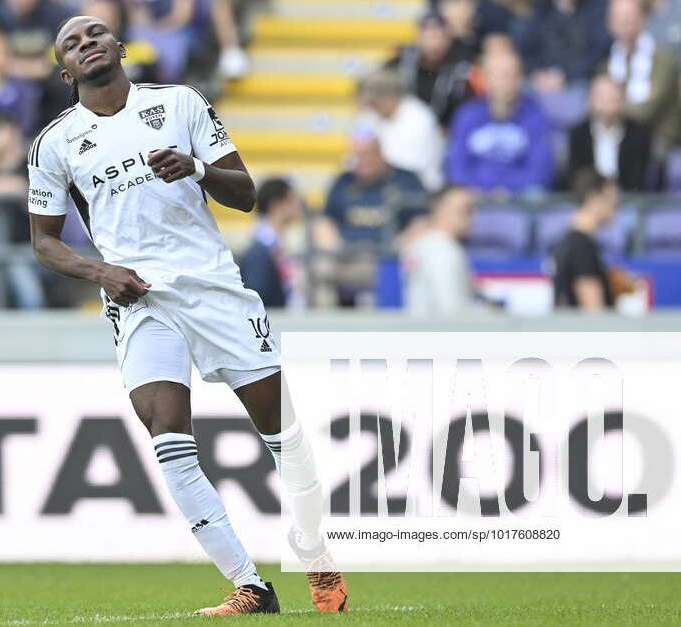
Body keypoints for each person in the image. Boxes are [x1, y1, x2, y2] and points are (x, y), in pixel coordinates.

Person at [28, 15, 345, 616]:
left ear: (120, 48)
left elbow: (247, 195)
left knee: (284, 434)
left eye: (96, 33)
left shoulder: (179, 103)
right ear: (64, 70)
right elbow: (44, 243)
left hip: (214, 289)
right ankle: (249, 585)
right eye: (71, 41)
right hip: (139, 297)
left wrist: (195, 169)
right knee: (169, 437)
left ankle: (315, 552)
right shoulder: (54, 144)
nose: (86, 42)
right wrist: (103, 273)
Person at [445, 51, 555, 193]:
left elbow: (540, 170)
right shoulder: (467, 115)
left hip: (520, 200)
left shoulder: (535, 115)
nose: (507, 81)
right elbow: (456, 168)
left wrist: (507, 189)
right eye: (499, 75)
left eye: (512, 74)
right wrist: (484, 189)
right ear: (485, 78)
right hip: (474, 196)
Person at [323, 130, 424, 247]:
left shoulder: (406, 180)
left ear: (379, 153)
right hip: (348, 255)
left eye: (367, 154)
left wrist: (400, 245)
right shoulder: (343, 182)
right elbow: (327, 221)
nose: (362, 161)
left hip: (394, 254)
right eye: (355, 156)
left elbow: (420, 222)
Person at [601, 0, 680, 149]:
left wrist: (611, 106)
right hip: (619, 140)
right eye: (617, 17)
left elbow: (646, 111)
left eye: (628, 16)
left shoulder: (663, 61)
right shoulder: (606, 62)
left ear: (643, 20)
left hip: (658, 139)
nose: (623, 22)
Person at [355, 68, 445, 191]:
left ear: (389, 97)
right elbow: (356, 155)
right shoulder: (370, 115)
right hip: (377, 186)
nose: (371, 108)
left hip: (418, 189)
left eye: (374, 102)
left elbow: (410, 167)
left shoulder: (419, 118)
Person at [567, 74, 652, 191]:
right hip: (590, 199)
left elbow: (638, 179)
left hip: (628, 200)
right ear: (590, 101)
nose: (607, 104)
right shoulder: (578, 134)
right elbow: (576, 177)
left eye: (613, 98)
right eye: (602, 98)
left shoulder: (639, 134)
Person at [402, 186, 477, 316]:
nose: (472, 218)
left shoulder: (424, 243)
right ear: (440, 211)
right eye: (465, 211)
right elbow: (450, 308)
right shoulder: (442, 250)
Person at [386, 13, 472, 126]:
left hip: (443, 131)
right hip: (401, 129)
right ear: (418, 38)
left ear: (448, 40)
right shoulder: (399, 64)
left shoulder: (459, 69)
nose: (434, 41)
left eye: (439, 35)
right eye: (429, 35)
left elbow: (466, 108)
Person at [552, 169, 619, 309]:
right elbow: (592, 309)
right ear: (594, 198)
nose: (615, 208)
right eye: (611, 200)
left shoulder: (569, 239)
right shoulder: (581, 245)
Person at [239, 178, 303, 308]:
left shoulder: (273, 243)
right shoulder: (260, 249)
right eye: (291, 200)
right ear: (276, 205)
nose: (298, 204)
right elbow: (258, 296)